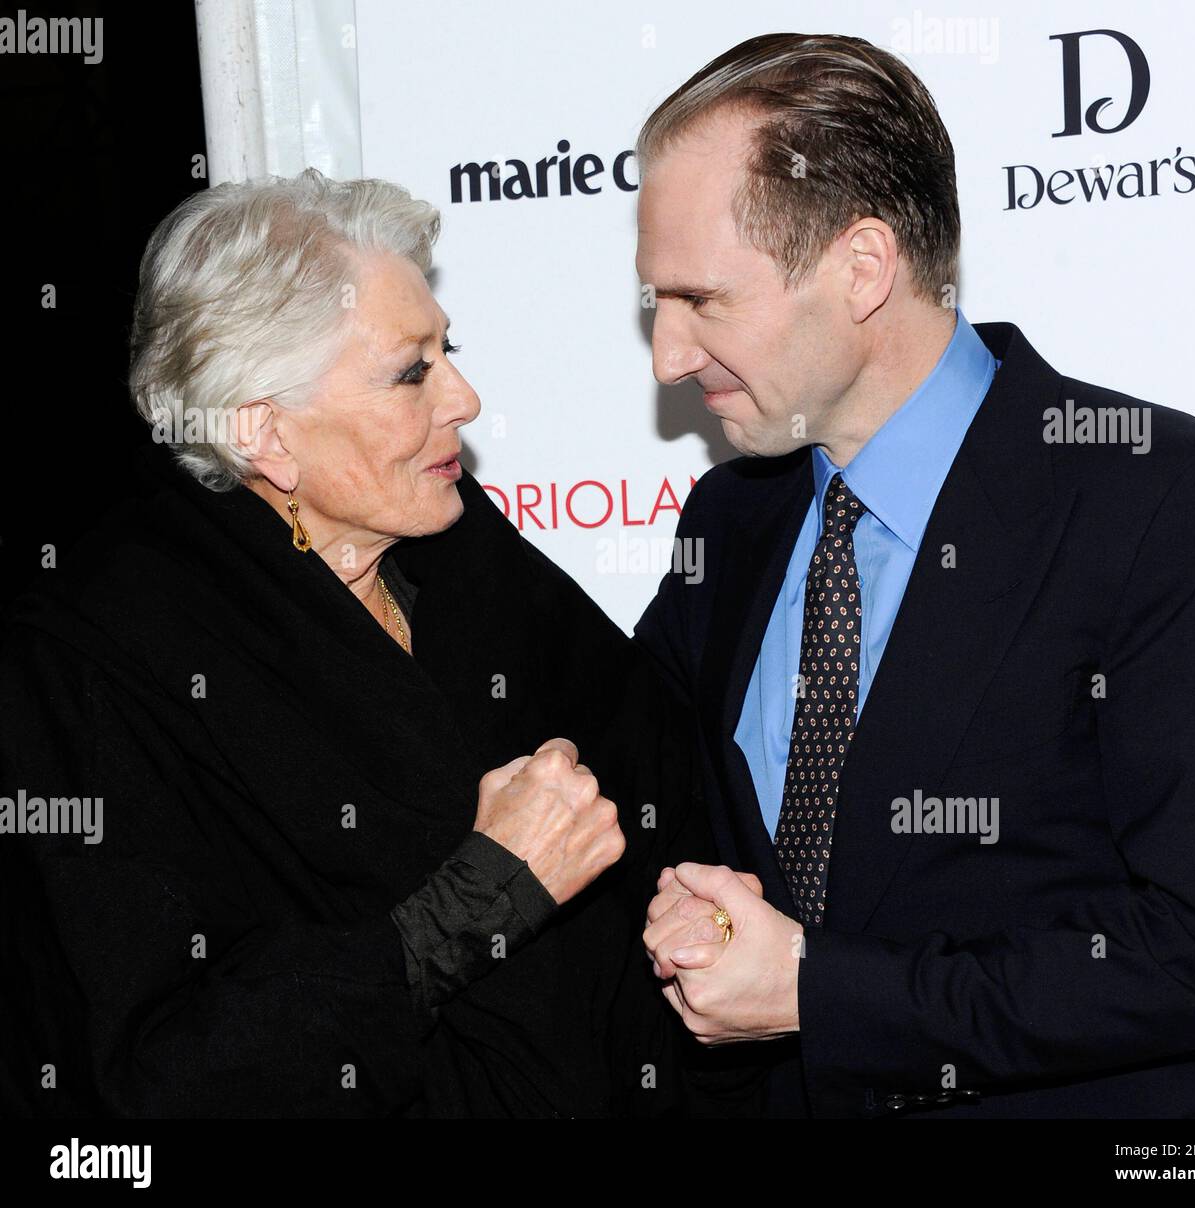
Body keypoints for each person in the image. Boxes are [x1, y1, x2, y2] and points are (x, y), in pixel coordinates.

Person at [635, 32, 1195, 1118]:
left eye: (702, 299)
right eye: (654, 301)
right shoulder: (735, 513)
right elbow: (640, 765)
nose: (665, 354)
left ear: (861, 268)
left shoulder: (1157, 500)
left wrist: (818, 991)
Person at [0, 169, 728, 1118]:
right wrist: (473, 905)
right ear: (265, 431)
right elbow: (161, 1073)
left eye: (448, 351)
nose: (464, 399)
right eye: (411, 370)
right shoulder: (95, 661)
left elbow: (662, 764)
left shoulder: (463, 546)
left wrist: (707, 914)